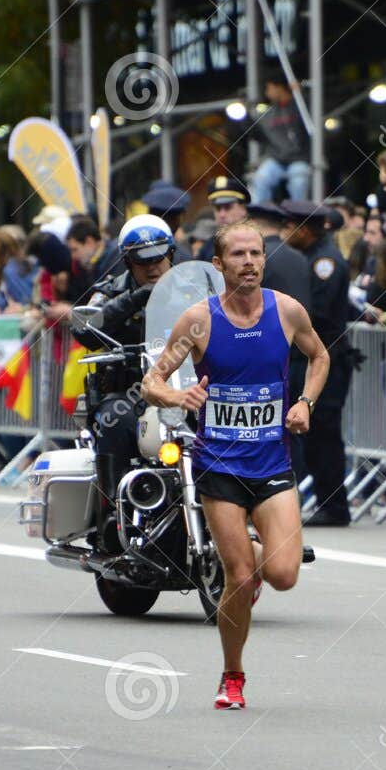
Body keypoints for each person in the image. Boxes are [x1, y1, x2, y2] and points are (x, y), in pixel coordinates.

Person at [140, 221, 329, 710]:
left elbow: (320, 357)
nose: (249, 262)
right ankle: (232, 676)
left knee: (284, 574)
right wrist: (180, 394)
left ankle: (248, 541)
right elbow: (152, 382)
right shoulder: (198, 321)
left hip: (271, 459)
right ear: (219, 265)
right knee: (240, 579)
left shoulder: (286, 311)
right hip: (219, 464)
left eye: (256, 253)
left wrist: (305, 402)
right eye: (239, 255)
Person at [84, 215, 178, 519]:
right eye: (142, 261)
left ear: (171, 255)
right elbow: (85, 330)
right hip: (131, 392)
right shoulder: (111, 290)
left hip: (186, 387)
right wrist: (135, 298)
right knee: (113, 419)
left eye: (159, 258)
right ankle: (113, 511)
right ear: (127, 261)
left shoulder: (191, 288)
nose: (152, 267)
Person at [281, 198, 353, 526]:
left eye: (289, 226)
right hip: (311, 356)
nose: (284, 232)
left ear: (306, 229)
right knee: (310, 433)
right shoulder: (306, 257)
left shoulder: (325, 262)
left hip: (329, 358)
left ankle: (334, 506)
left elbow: (317, 313)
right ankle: (324, 500)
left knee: (325, 432)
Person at [249, 79, 311, 204]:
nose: (267, 93)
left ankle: (298, 217)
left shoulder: (300, 105)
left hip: (299, 158)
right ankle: (259, 215)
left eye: (269, 88)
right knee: (260, 178)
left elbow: (311, 115)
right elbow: (257, 134)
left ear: (279, 87)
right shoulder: (269, 112)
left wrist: (300, 94)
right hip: (276, 159)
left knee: (299, 180)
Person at [196, 174, 251, 262]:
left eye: (228, 207)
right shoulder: (208, 247)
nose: (222, 214)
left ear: (243, 209)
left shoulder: (256, 241)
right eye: (218, 208)